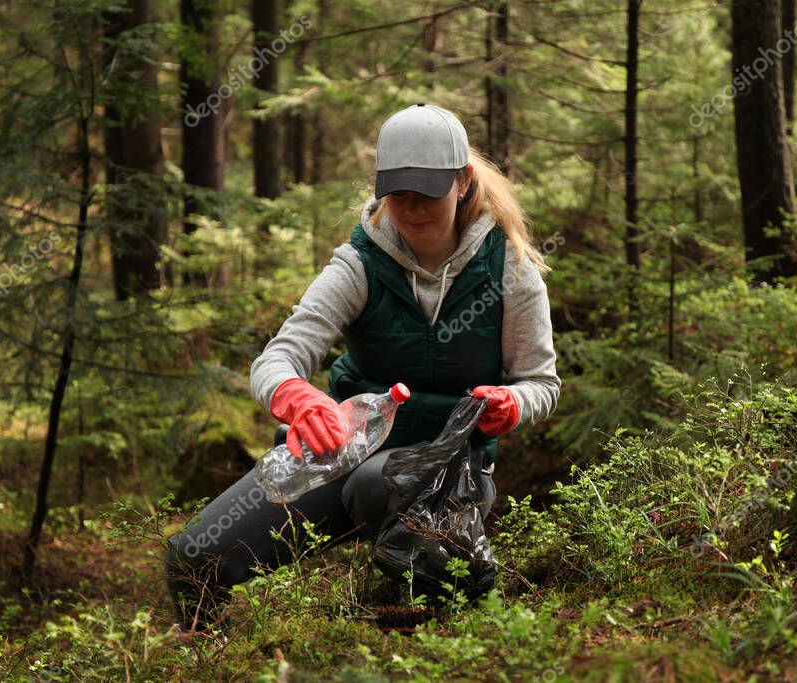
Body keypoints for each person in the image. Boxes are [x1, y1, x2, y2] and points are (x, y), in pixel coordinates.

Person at [164, 103, 560, 631]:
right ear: (381, 189)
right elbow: (278, 358)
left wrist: (513, 405)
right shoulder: (360, 263)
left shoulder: (509, 268)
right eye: (399, 195)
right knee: (193, 558)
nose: (413, 208)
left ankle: (442, 606)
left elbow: (541, 382)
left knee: (380, 483)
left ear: (463, 182)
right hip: (347, 449)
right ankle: (203, 655)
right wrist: (297, 397)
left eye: (428, 193)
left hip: (450, 467)